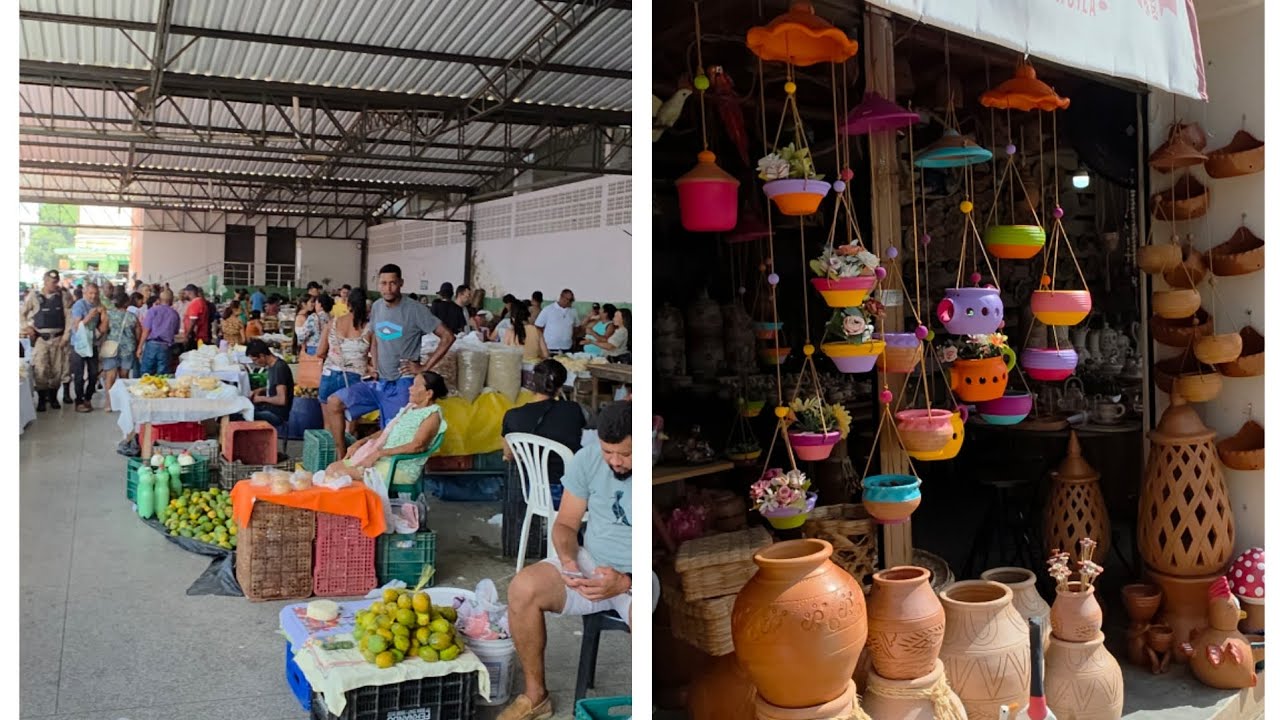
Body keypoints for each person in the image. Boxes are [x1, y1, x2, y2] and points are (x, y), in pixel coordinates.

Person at [500, 401, 633, 720]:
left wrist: (626, 582)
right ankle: (536, 697)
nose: (616, 461)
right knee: (523, 588)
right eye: (608, 451)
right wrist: (569, 561)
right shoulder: (588, 459)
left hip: (637, 575)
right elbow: (566, 524)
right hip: (592, 562)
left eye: (626, 454)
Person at [324, 264, 456, 460]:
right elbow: (376, 339)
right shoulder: (377, 306)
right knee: (334, 402)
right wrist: (375, 367)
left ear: (401, 283)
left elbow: (448, 336)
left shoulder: (415, 310)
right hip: (379, 382)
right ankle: (342, 457)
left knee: (392, 435)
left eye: (392, 283)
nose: (388, 288)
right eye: (383, 283)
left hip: (402, 383)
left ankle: (385, 474)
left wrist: (424, 368)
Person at [322, 370, 449, 488]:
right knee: (332, 468)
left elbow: (417, 446)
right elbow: (388, 430)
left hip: (399, 466)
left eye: (415, 386)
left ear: (429, 393)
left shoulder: (432, 415)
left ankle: (357, 504)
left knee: (338, 476)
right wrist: (360, 442)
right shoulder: (410, 408)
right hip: (384, 459)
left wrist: (379, 453)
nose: (410, 388)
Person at [500, 359, 586, 486]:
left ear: (532, 384)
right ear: (560, 387)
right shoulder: (573, 409)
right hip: (572, 489)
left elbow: (509, 454)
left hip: (534, 489)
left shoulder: (513, 416)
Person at [21, 269, 73, 411]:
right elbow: (22, 314)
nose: (54, 284)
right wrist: (27, 328)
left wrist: (66, 337)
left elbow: (69, 317)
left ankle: (54, 397)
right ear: (45, 281)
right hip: (41, 339)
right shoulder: (34, 296)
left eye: (56, 282)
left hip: (58, 339)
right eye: (52, 282)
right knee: (41, 368)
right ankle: (42, 400)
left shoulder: (63, 296)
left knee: (57, 370)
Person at [317, 287, 372, 404]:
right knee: (351, 413)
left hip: (330, 375)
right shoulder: (369, 329)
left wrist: (335, 357)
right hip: (356, 377)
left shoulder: (332, 323)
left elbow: (320, 352)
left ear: (348, 304)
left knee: (328, 415)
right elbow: (375, 359)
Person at [69, 282, 109, 413]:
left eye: (96, 293)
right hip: (79, 344)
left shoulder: (99, 305)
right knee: (79, 374)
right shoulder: (79, 305)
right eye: (91, 293)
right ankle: (79, 401)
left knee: (93, 373)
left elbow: (103, 328)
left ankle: (88, 398)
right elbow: (76, 327)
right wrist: (89, 316)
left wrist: (104, 314)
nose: (93, 296)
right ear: (85, 293)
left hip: (92, 344)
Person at [101, 290, 140, 412]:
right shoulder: (132, 317)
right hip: (128, 348)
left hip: (111, 346)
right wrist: (136, 344)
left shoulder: (109, 315)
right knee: (124, 376)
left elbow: (103, 329)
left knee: (110, 376)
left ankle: (109, 403)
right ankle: (123, 402)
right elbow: (138, 332)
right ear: (127, 302)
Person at [245, 338, 293, 429]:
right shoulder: (272, 365)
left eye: (255, 360)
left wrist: (261, 398)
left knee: (243, 416)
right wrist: (261, 390)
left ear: (262, 355)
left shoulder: (279, 368)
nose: (255, 363)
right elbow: (275, 386)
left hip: (277, 414)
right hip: (269, 408)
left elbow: (281, 400)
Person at [136, 289, 180, 376]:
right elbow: (175, 331)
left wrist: (140, 347)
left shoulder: (152, 311)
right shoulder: (174, 314)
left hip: (151, 345)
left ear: (159, 300)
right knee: (163, 375)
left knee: (146, 373)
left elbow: (146, 330)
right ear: (171, 300)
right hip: (166, 346)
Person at [533, 288, 579, 355]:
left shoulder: (573, 311)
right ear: (561, 297)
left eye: (571, 300)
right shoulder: (548, 309)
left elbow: (576, 327)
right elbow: (537, 327)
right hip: (550, 347)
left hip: (567, 348)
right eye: (568, 299)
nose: (569, 302)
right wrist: (541, 342)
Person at [181, 284, 212, 350]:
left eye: (185, 292)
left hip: (197, 338)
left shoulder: (195, 303)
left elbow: (192, 322)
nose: (184, 294)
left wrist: (187, 335)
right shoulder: (200, 302)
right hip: (200, 337)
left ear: (189, 292)